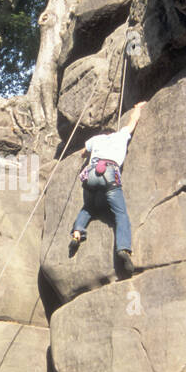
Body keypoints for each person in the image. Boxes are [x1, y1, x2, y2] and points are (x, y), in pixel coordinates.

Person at [70, 101, 145, 276]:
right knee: (120, 214)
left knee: (88, 207)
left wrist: (89, 153)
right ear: (114, 132)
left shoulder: (96, 139)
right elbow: (133, 121)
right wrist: (138, 107)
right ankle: (123, 249)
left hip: (91, 174)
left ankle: (76, 234)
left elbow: (83, 152)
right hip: (109, 173)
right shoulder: (122, 135)